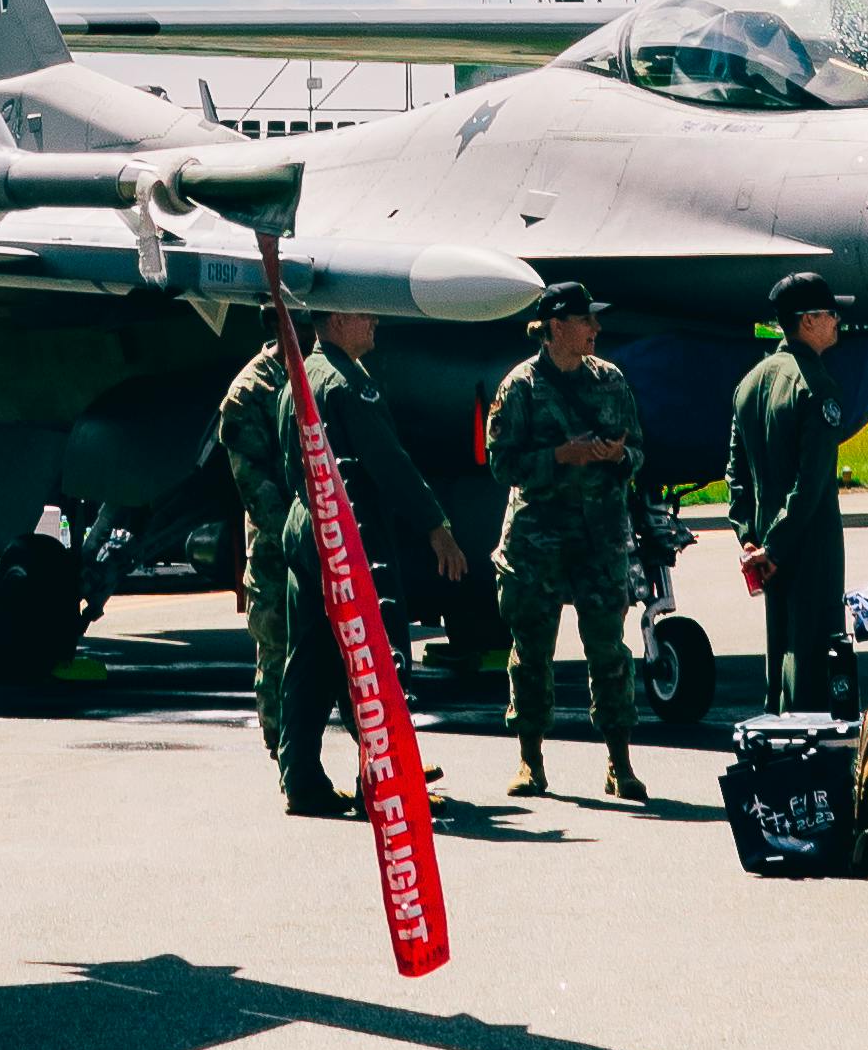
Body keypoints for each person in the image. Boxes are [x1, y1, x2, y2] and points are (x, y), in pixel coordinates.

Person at [274, 297, 468, 816]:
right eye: (366, 312)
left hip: (306, 530)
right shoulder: (348, 384)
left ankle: (302, 781)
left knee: (310, 660)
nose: (376, 320)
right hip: (349, 538)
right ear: (337, 319)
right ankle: (382, 785)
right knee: (375, 658)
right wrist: (437, 526)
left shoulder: (299, 376)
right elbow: (388, 462)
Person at [483, 286, 648, 803]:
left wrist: (618, 457)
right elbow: (501, 465)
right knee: (532, 650)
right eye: (584, 322)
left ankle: (620, 763)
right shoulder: (520, 388)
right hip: (537, 541)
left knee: (609, 651)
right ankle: (530, 761)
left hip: (599, 539)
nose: (595, 331)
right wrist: (560, 456)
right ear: (555, 327)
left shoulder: (611, 381)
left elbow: (639, 451)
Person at [726, 269, 849, 715]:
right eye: (830, 314)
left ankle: (776, 748)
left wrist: (750, 539)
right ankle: (808, 766)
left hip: (764, 548)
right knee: (813, 655)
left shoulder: (750, 383)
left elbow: (735, 475)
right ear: (809, 320)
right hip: (808, 545)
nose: (837, 322)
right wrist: (776, 546)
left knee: (777, 655)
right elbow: (811, 482)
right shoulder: (815, 386)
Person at [210, 324, 302, 777]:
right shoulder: (249, 392)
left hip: (317, 537)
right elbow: (254, 484)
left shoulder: (316, 374)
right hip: (276, 544)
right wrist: (297, 535)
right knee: (276, 639)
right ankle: (282, 747)